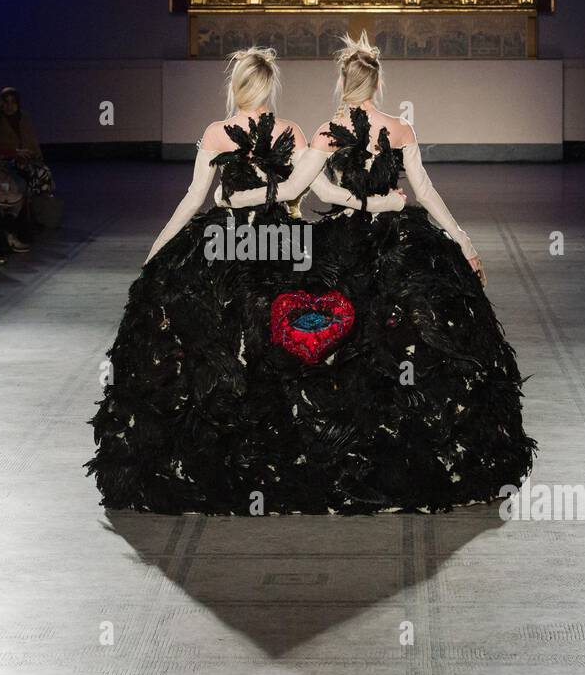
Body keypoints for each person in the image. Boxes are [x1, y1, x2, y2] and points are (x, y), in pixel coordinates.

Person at [217, 33, 536, 510]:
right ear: (377, 82)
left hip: (345, 244)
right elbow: (425, 192)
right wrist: (461, 238)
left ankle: (349, 452)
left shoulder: (326, 132)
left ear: (343, 82)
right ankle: (410, 447)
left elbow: (301, 192)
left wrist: (233, 197)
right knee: (405, 336)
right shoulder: (400, 128)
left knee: (349, 342)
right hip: (398, 238)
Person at [88, 47, 400, 514]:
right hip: (285, 244)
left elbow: (195, 199)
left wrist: (158, 249)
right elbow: (314, 192)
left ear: (237, 86)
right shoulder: (292, 131)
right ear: (270, 86)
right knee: (278, 342)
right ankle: (288, 451)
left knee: (222, 336)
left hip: (231, 242)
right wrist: (380, 204)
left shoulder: (218, 133)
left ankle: (221, 451)